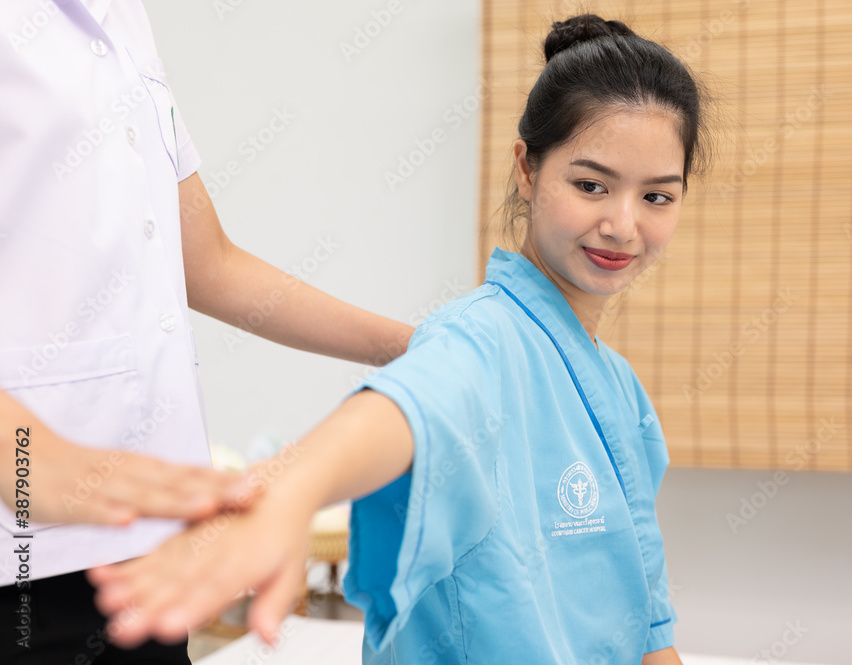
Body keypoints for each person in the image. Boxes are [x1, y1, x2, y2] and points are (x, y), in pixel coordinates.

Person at [89, 14, 706, 665]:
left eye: (658, 197)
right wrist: (287, 492)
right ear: (527, 170)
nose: (622, 223)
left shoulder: (620, 391)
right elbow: (404, 407)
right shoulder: (479, 342)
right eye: (591, 185)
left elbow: (647, 622)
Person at [0, 1, 411, 662]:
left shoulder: (125, 17)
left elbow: (208, 261)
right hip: (26, 558)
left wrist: (409, 345)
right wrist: (27, 452)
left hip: (149, 549)